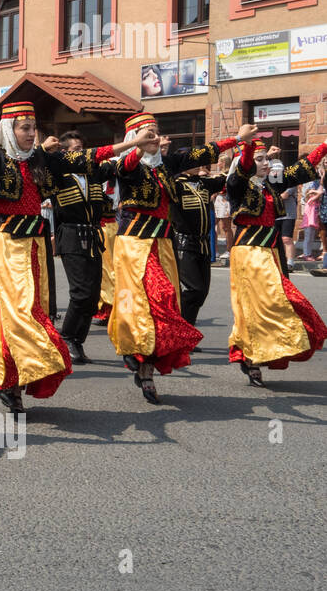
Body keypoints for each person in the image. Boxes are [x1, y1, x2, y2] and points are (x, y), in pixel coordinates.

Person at [0, 102, 147, 414]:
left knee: (35, 311)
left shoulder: (43, 160)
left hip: (35, 246)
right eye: (24, 128)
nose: (31, 133)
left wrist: (131, 144)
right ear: (9, 130)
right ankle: (8, 380)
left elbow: (88, 158)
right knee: (15, 314)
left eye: (33, 127)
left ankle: (20, 379)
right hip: (6, 245)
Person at [110, 113, 251, 403]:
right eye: (147, 133)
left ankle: (146, 370)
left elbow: (204, 152)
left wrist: (237, 139)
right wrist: (137, 145)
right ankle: (132, 349)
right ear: (134, 137)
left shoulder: (167, 165)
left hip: (163, 244)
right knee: (147, 301)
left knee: (164, 306)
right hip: (134, 244)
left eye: (156, 132)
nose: (155, 138)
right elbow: (127, 162)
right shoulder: (127, 167)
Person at [225, 138, 327, 386]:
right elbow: (242, 168)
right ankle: (250, 355)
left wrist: (324, 145)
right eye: (259, 160)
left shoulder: (271, 183)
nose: (265, 164)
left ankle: (254, 356)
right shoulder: (237, 185)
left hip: (271, 252)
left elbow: (301, 168)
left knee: (277, 305)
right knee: (262, 306)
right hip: (249, 252)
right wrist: (247, 143)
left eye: (266, 159)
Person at [51, 130, 119, 364]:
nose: (81, 155)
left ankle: (77, 339)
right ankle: (67, 336)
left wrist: (137, 142)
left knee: (92, 295)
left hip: (93, 235)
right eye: (75, 151)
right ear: (65, 154)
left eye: (82, 149)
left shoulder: (93, 174)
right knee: (80, 292)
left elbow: (119, 162)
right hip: (70, 234)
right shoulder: (59, 174)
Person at [171, 166, 226, 326]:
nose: (199, 165)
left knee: (202, 292)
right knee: (194, 290)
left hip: (203, 244)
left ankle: (185, 331)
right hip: (183, 243)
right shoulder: (175, 185)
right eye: (194, 161)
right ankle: (181, 331)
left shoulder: (204, 184)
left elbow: (230, 176)